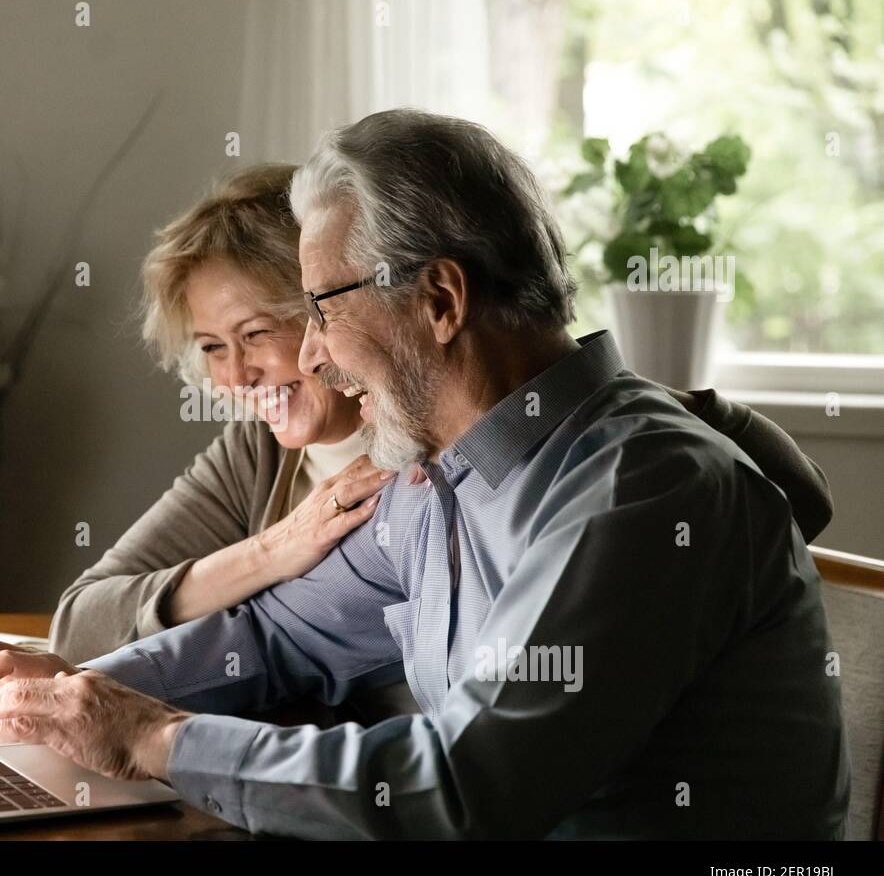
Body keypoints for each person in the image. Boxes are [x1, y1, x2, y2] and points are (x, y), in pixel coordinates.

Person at [0, 112, 848, 839]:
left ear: (441, 300)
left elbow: (465, 789)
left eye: (321, 308)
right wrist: (49, 705)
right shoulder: (435, 479)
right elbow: (276, 639)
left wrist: (153, 738)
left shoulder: (641, 492)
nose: (316, 354)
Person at [46, 165, 834, 688]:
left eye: (256, 334)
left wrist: (647, 421)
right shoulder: (263, 453)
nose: (232, 376)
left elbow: (784, 500)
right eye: (212, 349)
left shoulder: (492, 445)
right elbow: (87, 622)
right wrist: (277, 549)